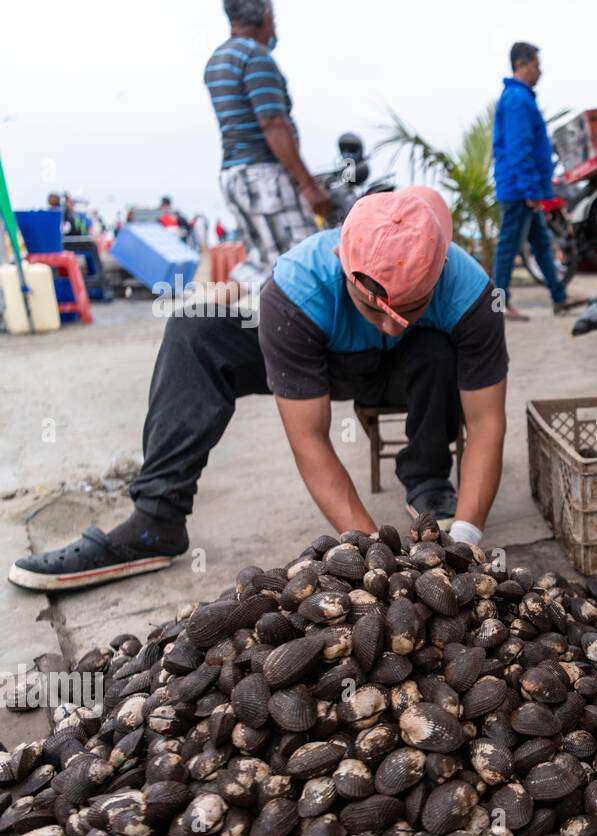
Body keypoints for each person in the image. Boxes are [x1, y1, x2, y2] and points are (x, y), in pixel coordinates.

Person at [9, 188, 508, 592]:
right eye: (373, 307)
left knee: (436, 348)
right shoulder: (297, 286)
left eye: (410, 308)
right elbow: (309, 438)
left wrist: (466, 537)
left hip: (410, 368)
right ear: (342, 259)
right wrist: (372, 553)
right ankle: (155, 519)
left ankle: (427, 481)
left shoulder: (472, 294)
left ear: (440, 267)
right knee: (194, 329)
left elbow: (486, 421)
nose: (390, 324)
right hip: (326, 358)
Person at [204, 0, 330, 295]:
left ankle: (197, 317)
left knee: (261, 263)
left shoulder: (217, 60)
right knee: (308, 259)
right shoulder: (255, 57)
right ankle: (294, 337)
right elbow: (274, 123)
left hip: (234, 176)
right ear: (265, 15)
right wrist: (309, 185)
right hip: (265, 177)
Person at [491, 41, 566, 322]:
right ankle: (499, 305)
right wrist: (529, 189)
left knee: (541, 244)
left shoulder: (522, 97)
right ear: (521, 64)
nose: (540, 71)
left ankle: (560, 297)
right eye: (536, 65)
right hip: (518, 190)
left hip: (526, 188)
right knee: (507, 250)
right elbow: (519, 148)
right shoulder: (517, 99)